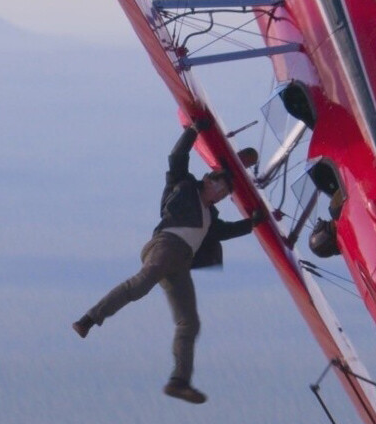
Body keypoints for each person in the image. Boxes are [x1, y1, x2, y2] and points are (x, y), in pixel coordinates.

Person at [73, 119, 258, 404]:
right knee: (140, 285)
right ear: (207, 180)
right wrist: (194, 130)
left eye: (225, 193)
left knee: (189, 322)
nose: (221, 193)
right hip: (165, 245)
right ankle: (88, 319)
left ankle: (179, 381)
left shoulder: (211, 218)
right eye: (218, 185)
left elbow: (226, 232)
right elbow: (177, 158)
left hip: (181, 262)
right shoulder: (183, 187)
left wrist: (254, 223)